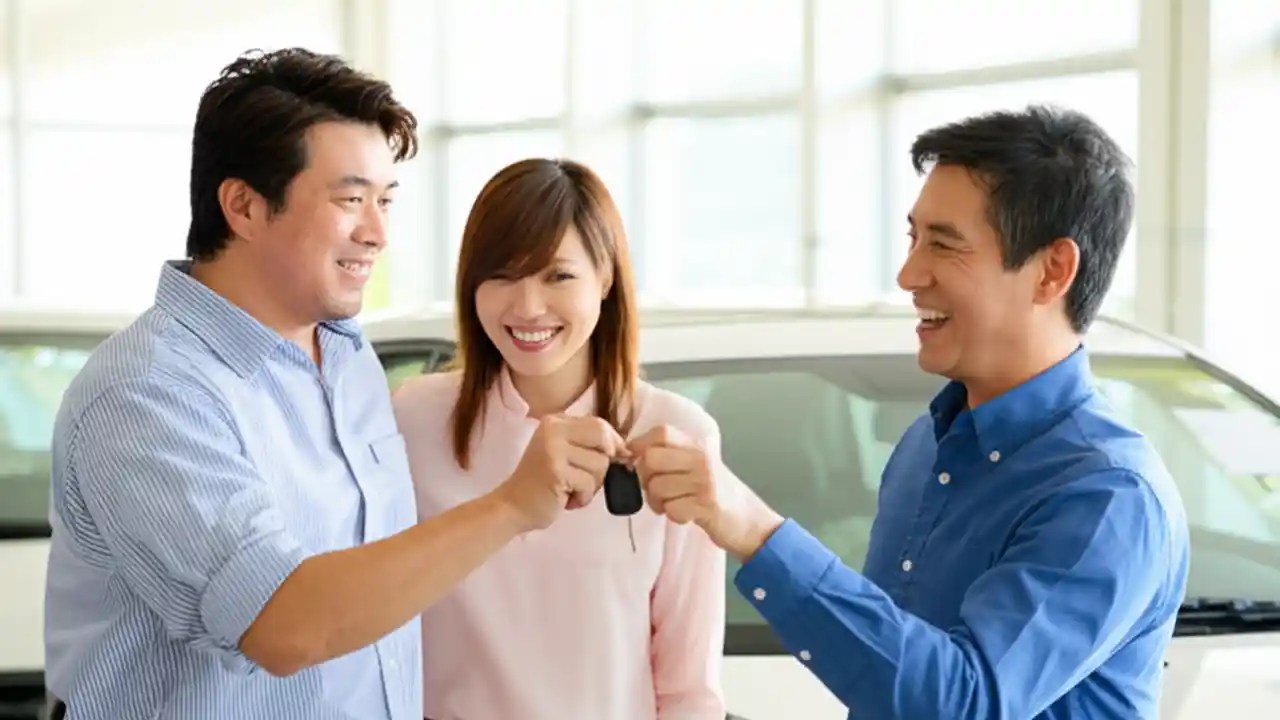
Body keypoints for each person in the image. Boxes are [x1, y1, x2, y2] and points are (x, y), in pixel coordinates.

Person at [43, 49, 622, 720]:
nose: (376, 233)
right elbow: (286, 625)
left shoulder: (346, 357)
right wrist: (510, 506)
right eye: (350, 200)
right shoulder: (146, 395)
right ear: (244, 206)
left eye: (384, 201)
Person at [632, 105, 1190, 719]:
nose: (907, 274)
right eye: (913, 237)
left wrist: (753, 528)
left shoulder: (1110, 495)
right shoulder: (927, 444)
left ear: (1052, 271)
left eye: (944, 244)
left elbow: (960, 704)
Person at [392, 158, 727, 720]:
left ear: (606, 277)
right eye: (501, 276)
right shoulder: (415, 418)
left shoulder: (677, 435)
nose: (527, 307)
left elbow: (689, 688)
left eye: (557, 276)